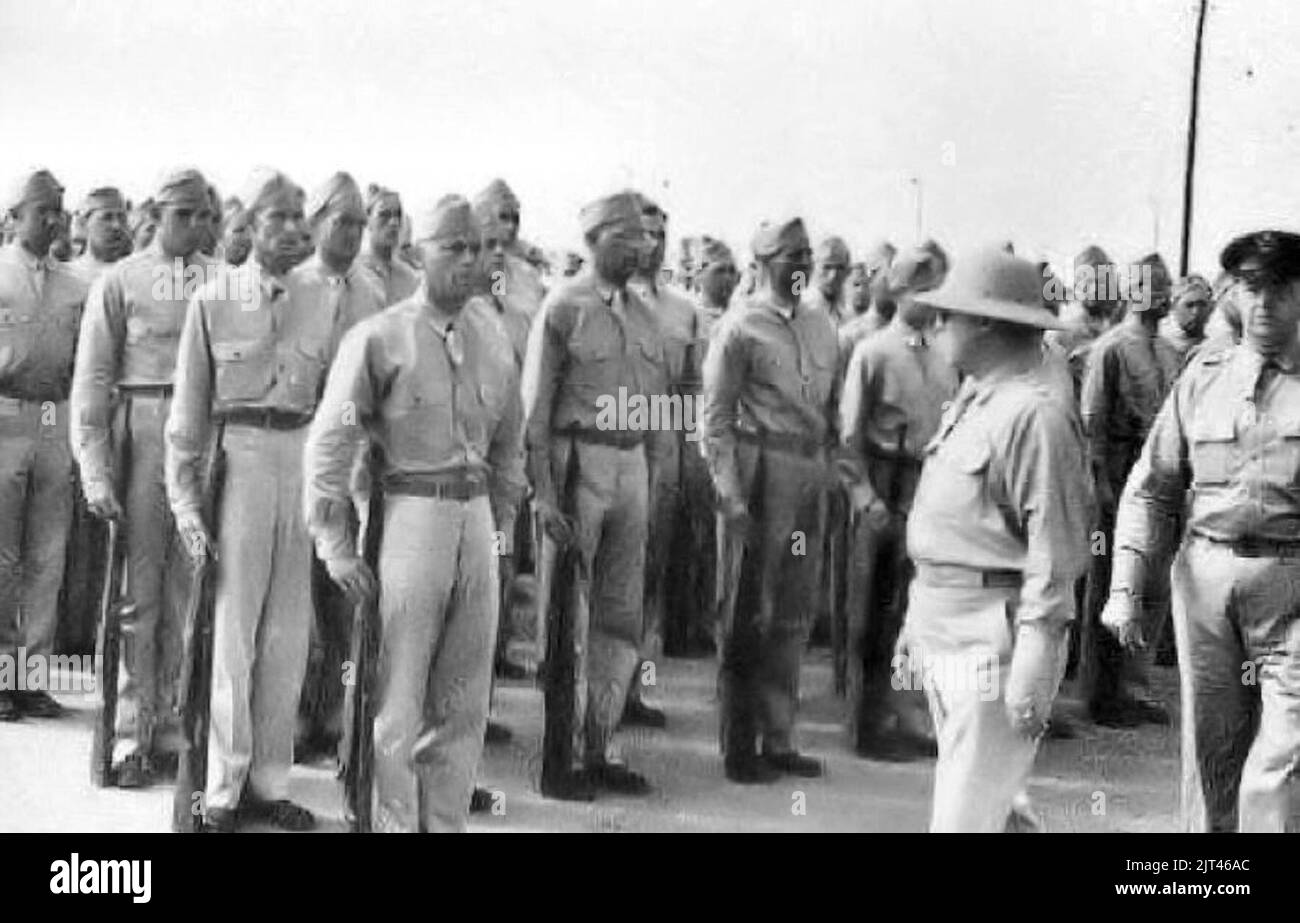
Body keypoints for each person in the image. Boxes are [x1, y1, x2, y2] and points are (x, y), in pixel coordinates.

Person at [305, 194, 525, 833]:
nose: (469, 259)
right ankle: (392, 822)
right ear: (417, 253)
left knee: (463, 696)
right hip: (408, 517)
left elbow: (511, 442)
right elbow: (330, 443)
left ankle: (444, 821)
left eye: (477, 247)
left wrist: (503, 525)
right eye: (452, 247)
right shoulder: (379, 337)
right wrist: (335, 543)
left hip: (475, 517)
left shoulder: (493, 333)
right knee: (397, 693)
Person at [165, 168, 367, 832]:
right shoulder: (213, 300)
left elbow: (340, 407)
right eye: (275, 217)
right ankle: (222, 788)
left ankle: (269, 780)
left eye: (296, 216)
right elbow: (189, 418)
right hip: (241, 459)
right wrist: (187, 504)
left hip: (301, 458)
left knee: (289, 635)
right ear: (246, 226)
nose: (290, 228)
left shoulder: (327, 301)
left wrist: (340, 493)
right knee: (233, 630)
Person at [1103, 229, 1300, 833]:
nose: (1263, 304)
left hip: (1292, 582)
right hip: (1206, 579)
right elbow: (1154, 485)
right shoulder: (1204, 375)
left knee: (1286, 750)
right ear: (1235, 295)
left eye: (1281, 290)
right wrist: (1126, 586)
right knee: (1212, 748)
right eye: (1251, 288)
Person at [900, 247, 1093, 831]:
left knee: (965, 816)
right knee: (991, 807)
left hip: (992, 637)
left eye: (947, 316)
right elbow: (947, 533)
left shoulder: (1035, 414)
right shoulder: (978, 399)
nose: (937, 327)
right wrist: (916, 624)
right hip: (946, 621)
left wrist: (1036, 658)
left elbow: (1054, 550)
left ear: (984, 321)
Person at [70, 169, 216, 784]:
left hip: (203, 437)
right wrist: (96, 471)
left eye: (204, 214)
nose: (195, 226)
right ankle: (132, 734)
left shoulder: (223, 284)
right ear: (157, 214)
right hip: (143, 426)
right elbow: (92, 382)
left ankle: (175, 728)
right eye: (184, 214)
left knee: (191, 594)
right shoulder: (120, 281)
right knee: (139, 597)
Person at [522, 190, 667, 800]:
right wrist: (544, 495)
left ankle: (601, 742)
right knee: (566, 618)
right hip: (577, 459)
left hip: (631, 460)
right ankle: (560, 762)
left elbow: (658, 403)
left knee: (620, 615)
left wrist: (656, 472)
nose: (641, 248)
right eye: (626, 237)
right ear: (594, 241)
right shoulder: (563, 307)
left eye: (646, 237)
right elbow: (535, 412)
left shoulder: (645, 314)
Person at [703, 216, 837, 783]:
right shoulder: (739, 327)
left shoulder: (821, 323)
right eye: (790, 254)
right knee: (745, 612)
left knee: (793, 612)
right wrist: (731, 493)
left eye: (807, 252)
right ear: (761, 262)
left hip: (807, 471)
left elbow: (828, 413)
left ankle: (779, 735)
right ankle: (740, 746)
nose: (802, 262)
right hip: (758, 473)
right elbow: (714, 421)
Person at [839, 244, 957, 761]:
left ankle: (905, 715)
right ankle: (866, 723)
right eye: (924, 290)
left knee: (914, 612)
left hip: (926, 487)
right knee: (872, 609)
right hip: (884, 481)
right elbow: (847, 437)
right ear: (901, 292)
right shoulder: (873, 351)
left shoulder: (941, 354)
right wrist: (866, 499)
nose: (932, 301)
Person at [291, 172, 386, 764]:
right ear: (316, 222)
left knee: (341, 597)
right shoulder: (292, 287)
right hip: (291, 447)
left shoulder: (372, 296)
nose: (351, 233)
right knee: (292, 600)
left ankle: (331, 716)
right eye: (341, 221)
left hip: (348, 456)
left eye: (359, 223)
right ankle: (293, 718)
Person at [1078, 252, 1180, 727]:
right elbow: (1093, 422)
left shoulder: (1169, 352)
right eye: (1146, 285)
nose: (1155, 294)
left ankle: (1131, 686)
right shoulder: (1110, 348)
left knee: (1150, 583)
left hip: (1157, 473)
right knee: (1107, 583)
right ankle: (1100, 695)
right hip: (1117, 471)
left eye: (1162, 285)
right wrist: (1099, 482)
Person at [0, 170, 87, 722]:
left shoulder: (75, 285)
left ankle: (32, 675)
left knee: (47, 557)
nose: (53, 219)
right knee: (2, 556)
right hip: (4, 414)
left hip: (54, 416)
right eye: (41, 210)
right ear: (13, 216)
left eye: (59, 209)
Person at [628, 196, 699, 716]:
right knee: (611, 573)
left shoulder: (682, 311)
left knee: (652, 570)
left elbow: (692, 389)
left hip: (666, 442)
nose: (651, 246)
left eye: (660, 236)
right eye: (642, 234)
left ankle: (633, 686)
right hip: (617, 440)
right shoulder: (599, 302)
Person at [1045, 245, 1117, 395]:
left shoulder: (1112, 327)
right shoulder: (1061, 332)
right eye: (1089, 281)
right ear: (1077, 283)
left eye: (1102, 281)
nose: (1096, 288)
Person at [474, 179, 545, 315]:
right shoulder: (469, 266)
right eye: (504, 217)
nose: (511, 226)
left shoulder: (527, 269)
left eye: (515, 219)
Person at [360, 184, 422, 306]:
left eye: (397, 215)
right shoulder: (353, 273)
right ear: (368, 220)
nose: (394, 222)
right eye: (384, 215)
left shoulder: (410, 278)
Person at [69, 186, 132, 286]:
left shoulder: (137, 275)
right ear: (85, 223)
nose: (117, 225)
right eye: (107, 218)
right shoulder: (70, 276)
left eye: (121, 218)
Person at [1159, 274, 1213, 363]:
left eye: (1202, 305)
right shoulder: (1159, 346)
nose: (1196, 312)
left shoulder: (1214, 346)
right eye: (1189, 305)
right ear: (1174, 306)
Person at [805, 236, 852, 328]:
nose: (833, 275)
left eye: (840, 268)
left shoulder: (850, 316)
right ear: (813, 267)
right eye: (827, 267)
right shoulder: (801, 312)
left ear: (848, 271)